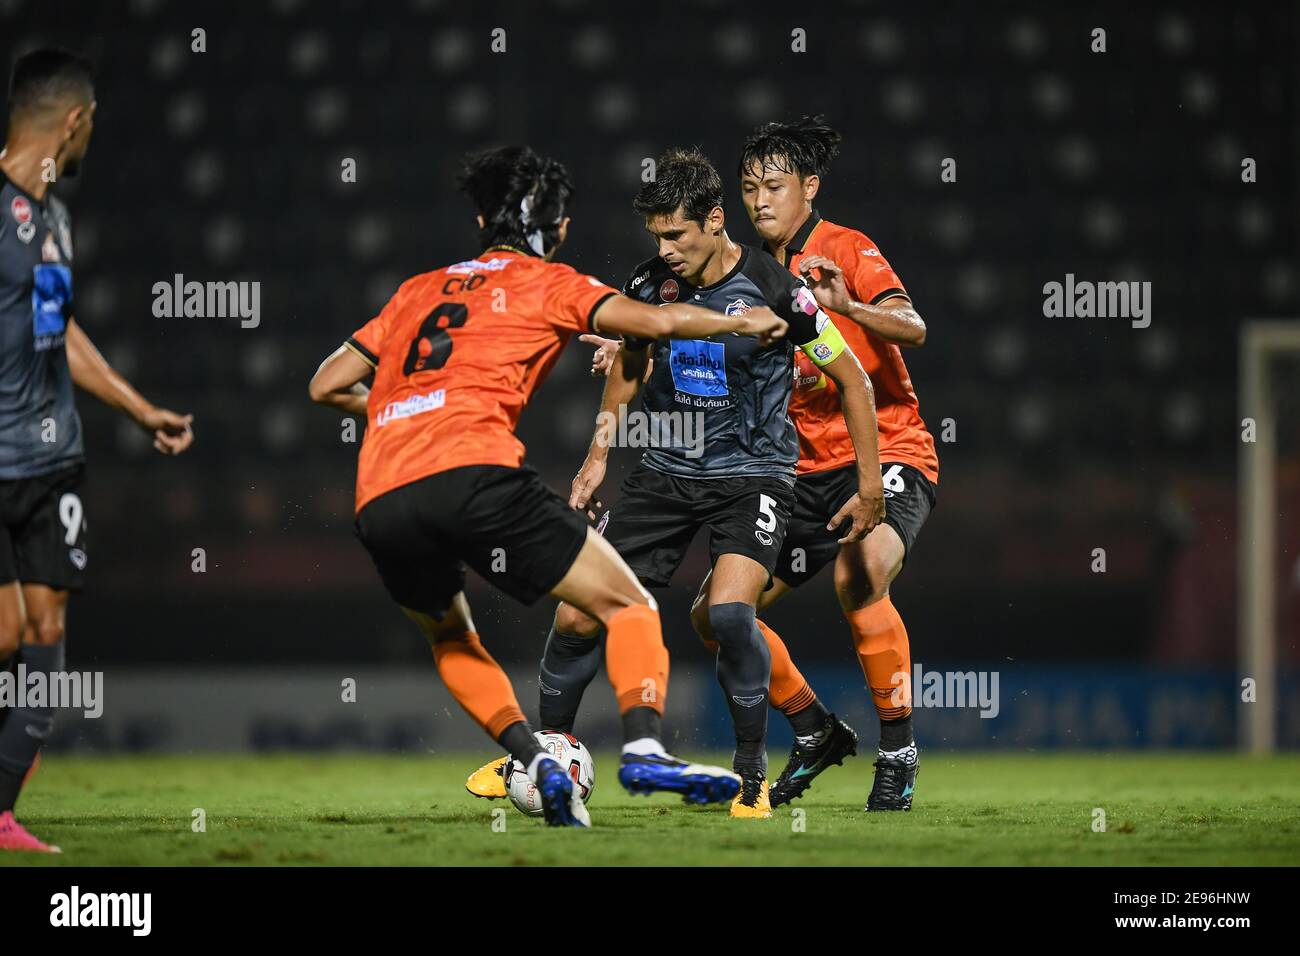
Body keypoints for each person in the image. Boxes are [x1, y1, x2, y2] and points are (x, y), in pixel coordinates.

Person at [309, 145, 789, 826]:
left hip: (382, 495)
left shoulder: (415, 290)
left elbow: (325, 384)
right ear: (558, 229)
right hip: (476, 474)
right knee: (628, 604)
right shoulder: (547, 281)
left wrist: (402, 408)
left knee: (451, 639)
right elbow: (653, 322)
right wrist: (739, 321)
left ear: (481, 218)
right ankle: (646, 749)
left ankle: (532, 758)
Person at [465, 148, 883, 819]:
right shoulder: (649, 283)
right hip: (663, 473)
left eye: (676, 236)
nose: (666, 250)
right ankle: (542, 753)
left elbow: (853, 380)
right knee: (575, 610)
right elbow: (628, 366)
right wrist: (598, 455)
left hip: (755, 478)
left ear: (716, 219)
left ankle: (751, 782)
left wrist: (869, 489)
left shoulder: (780, 289)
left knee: (726, 614)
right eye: (656, 237)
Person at [0, 49, 195, 853]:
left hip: (51, 464)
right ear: (72, 122)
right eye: (89, 128)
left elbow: (59, 335)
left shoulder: (56, 220)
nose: (88, 142)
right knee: (9, 636)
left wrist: (137, 406)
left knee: (45, 636)